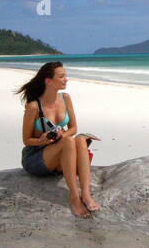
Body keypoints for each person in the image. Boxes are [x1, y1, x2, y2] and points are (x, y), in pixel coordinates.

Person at [16, 61, 99, 218]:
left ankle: (86, 195)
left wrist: (61, 135)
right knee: (69, 141)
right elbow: (26, 140)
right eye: (61, 76)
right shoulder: (34, 106)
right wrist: (42, 140)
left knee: (80, 139)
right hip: (35, 157)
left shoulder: (66, 98)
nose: (66, 79)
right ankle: (74, 197)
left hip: (59, 154)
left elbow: (73, 128)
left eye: (65, 76)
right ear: (48, 81)